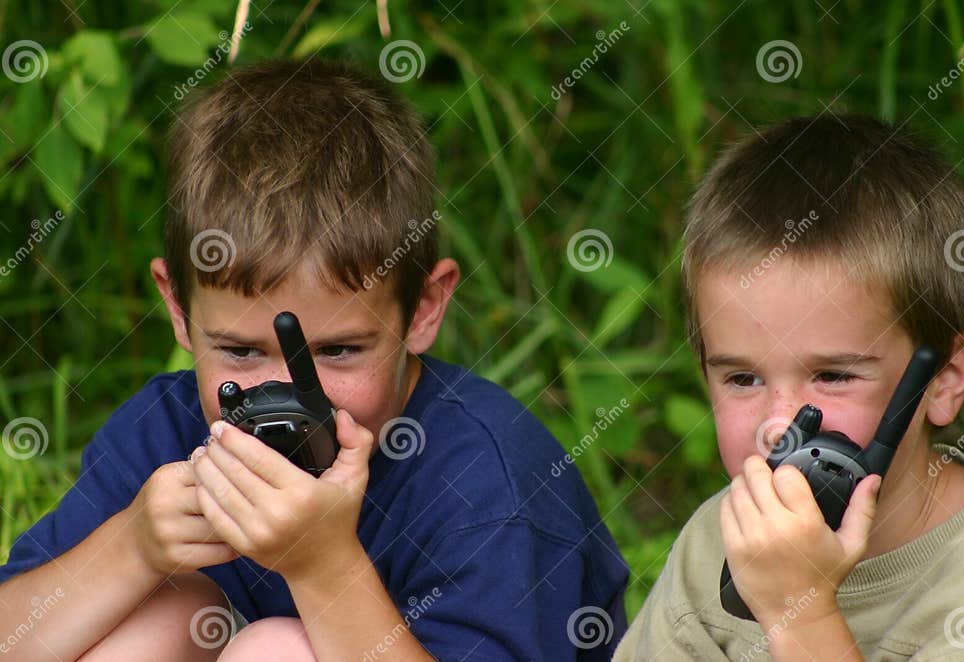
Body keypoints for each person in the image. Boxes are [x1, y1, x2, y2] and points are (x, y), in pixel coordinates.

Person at [0, 59, 628, 661]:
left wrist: (324, 568)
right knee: (168, 612)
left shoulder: (489, 484)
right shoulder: (163, 434)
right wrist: (133, 546)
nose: (285, 395)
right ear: (179, 309)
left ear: (423, 309)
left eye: (337, 351)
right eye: (240, 351)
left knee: (275, 652)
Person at [615, 114, 964, 660]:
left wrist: (802, 611)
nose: (779, 426)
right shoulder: (719, 542)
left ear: (944, 380)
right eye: (742, 379)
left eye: (833, 376)